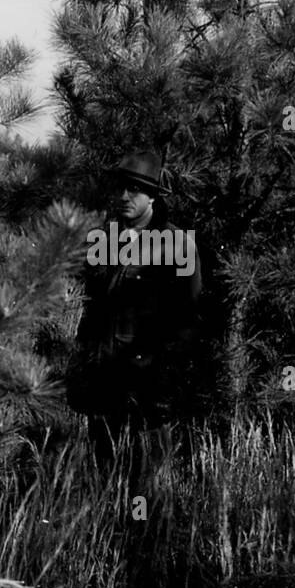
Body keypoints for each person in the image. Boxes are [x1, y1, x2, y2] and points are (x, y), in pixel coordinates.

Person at [66, 151, 203, 468]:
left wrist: (165, 385)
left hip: (147, 394)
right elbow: (89, 313)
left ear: (153, 196)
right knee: (105, 481)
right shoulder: (104, 241)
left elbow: (189, 321)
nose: (124, 196)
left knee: (146, 490)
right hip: (103, 389)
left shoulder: (177, 244)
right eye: (121, 188)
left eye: (135, 190)